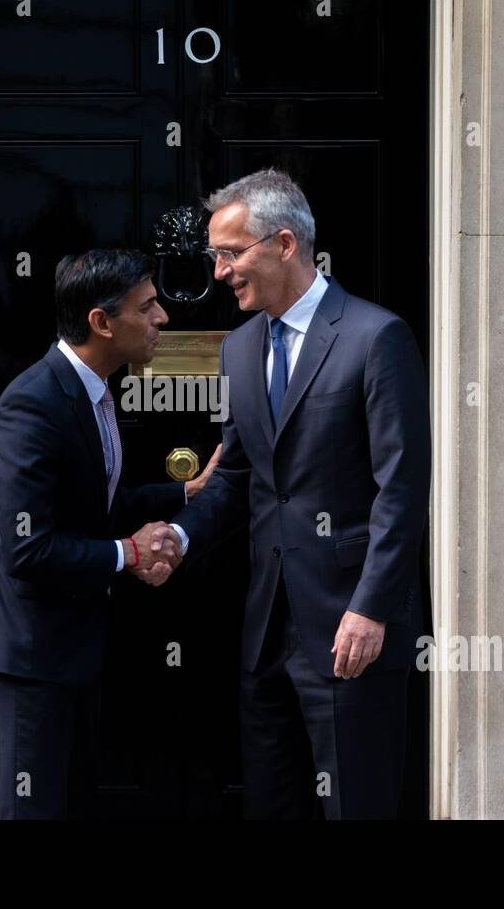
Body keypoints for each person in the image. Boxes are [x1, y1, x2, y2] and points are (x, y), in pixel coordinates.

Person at [156, 169, 431, 819]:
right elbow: (237, 475)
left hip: (350, 628)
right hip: (265, 638)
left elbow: (402, 488)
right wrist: (182, 534)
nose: (219, 271)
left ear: (284, 244)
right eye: (215, 255)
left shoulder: (375, 337)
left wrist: (371, 609)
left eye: (230, 252)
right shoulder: (240, 347)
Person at [0, 248, 218, 819]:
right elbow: (29, 548)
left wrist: (183, 493)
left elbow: (92, 508)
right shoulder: (32, 406)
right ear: (101, 322)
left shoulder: (96, 391)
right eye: (147, 307)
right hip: (28, 660)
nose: (163, 319)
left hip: (74, 653)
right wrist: (129, 553)